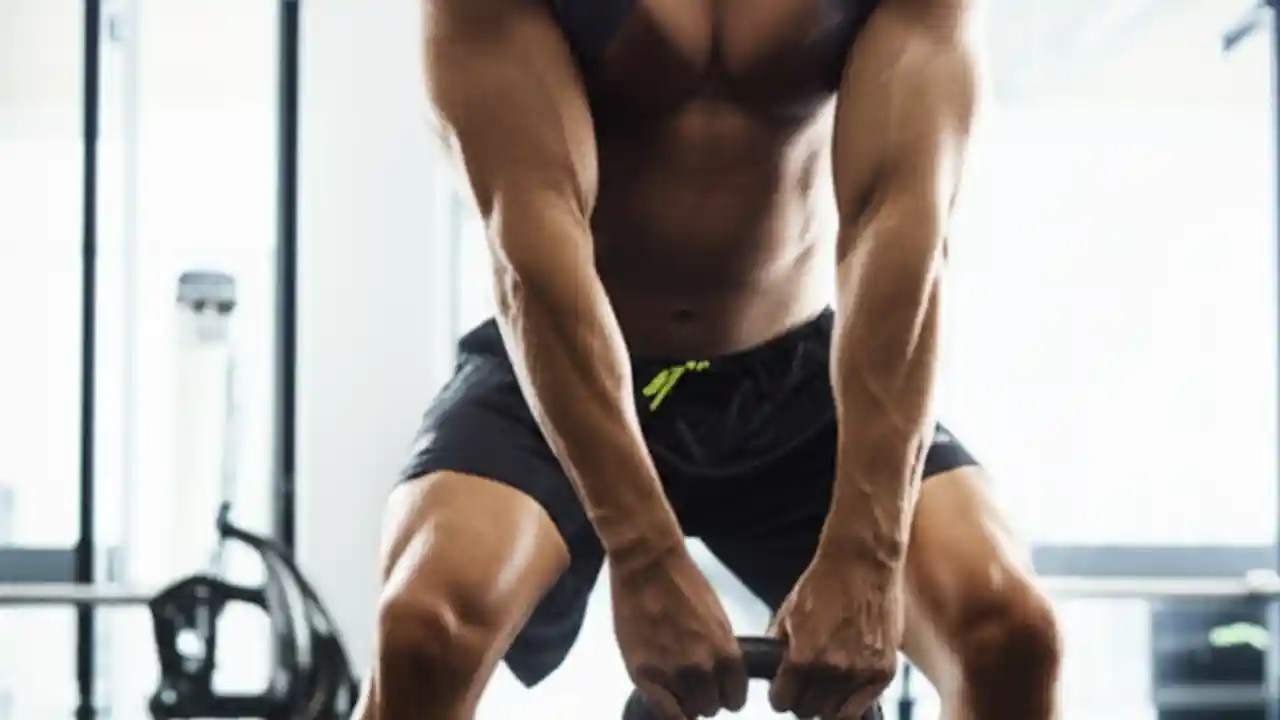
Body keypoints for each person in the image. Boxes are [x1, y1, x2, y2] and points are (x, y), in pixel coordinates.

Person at [357, 0, 1062, 718]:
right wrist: (645, 556)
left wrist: (867, 555)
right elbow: (532, 250)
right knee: (424, 631)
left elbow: (902, 228)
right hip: (562, 366)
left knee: (1010, 632)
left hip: (796, 380)